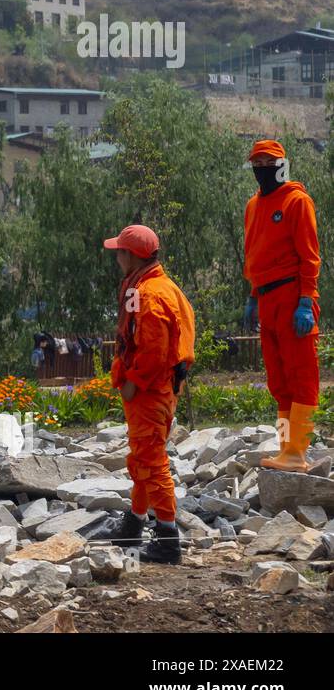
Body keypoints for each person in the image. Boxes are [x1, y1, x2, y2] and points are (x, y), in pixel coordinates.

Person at [90, 224, 195, 564]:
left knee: (151, 461)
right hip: (161, 388)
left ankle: (167, 540)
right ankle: (133, 526)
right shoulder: (159, 286)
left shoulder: (150, 295)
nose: (116, 257)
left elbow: (154, 349)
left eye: (119, 252)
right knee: (142, 459)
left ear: (132, 256)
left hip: (151, 390)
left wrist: (134, 379)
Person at [243, 139, 321, 472]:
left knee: (301, 375)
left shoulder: (296, 201)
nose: (262, 168)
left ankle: (297, 452)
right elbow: (252, 253)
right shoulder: (252, 206)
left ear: (281, 165)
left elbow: (309, 255)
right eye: (256, 163)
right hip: (265, 298)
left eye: (268, 162)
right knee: (278, 381)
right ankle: (284, 447)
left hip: (292, 296)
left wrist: (306, 299)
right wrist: (252, 295)